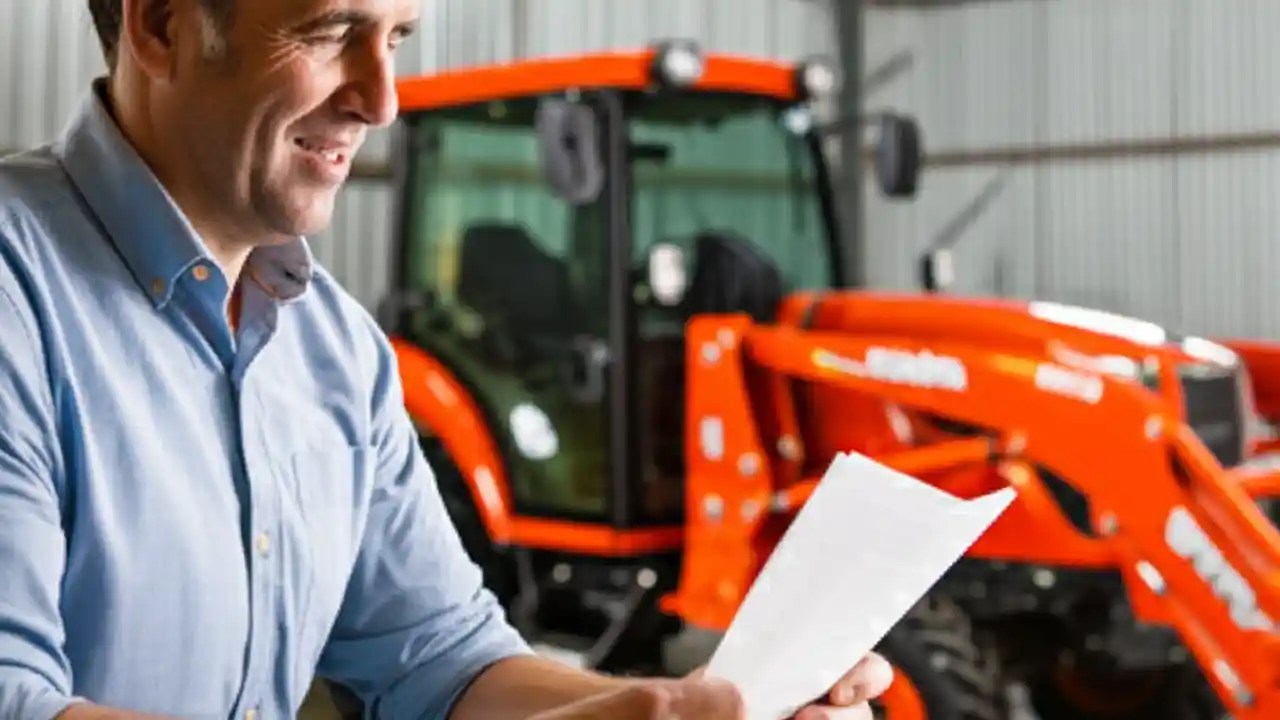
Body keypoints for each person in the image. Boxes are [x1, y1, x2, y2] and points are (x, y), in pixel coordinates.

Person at [0, 0, 894, 718]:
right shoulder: (19, 291)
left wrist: (694, 706)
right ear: (161, 24)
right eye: (329, 31)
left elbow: (441, 660)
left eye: (394, 38)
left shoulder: (337, 352)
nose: (380, 98)